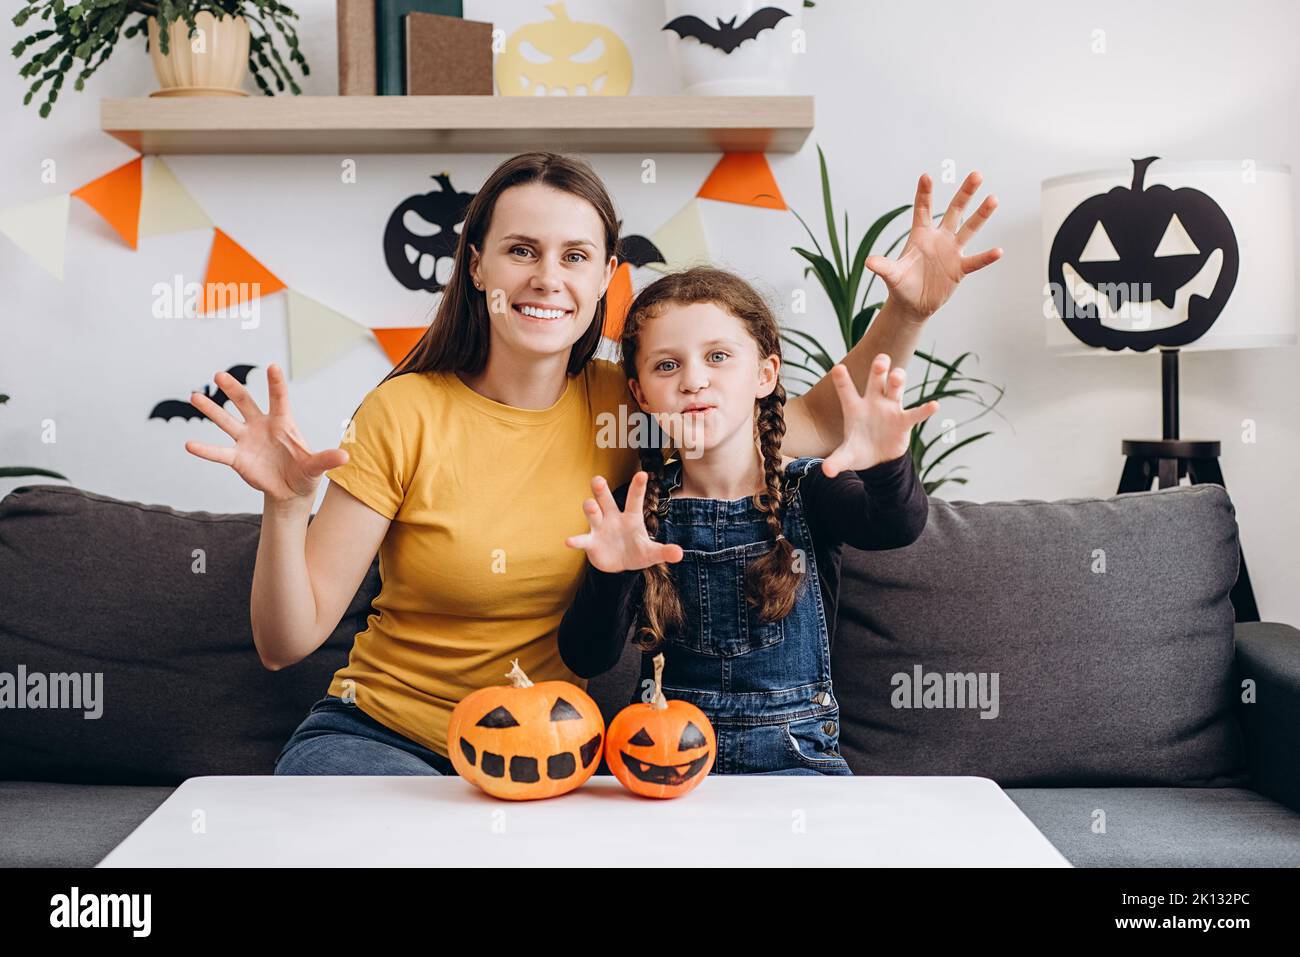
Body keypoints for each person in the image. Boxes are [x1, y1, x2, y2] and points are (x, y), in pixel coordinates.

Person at [182, 151, 1001, 775]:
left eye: (576, 256)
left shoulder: (636, 402)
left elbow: (819, 413)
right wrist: (287, 510)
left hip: (543, 751)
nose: (547, 277)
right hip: (383, 739)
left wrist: (906, 310)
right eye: (521, 251)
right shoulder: (406, 411)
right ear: (476, 266)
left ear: (606, 276)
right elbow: (286, 643)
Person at [557, 267, 932, 775]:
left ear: (765, 374)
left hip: (797, 764)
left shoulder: (810, 490)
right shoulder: (637, 508)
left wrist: (888, 465)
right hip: (667, 766)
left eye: (717, 357)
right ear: (641, 394)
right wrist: (611, 573)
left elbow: (893, 527)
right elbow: (586, 658)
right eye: (667, 365)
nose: (693, 380)